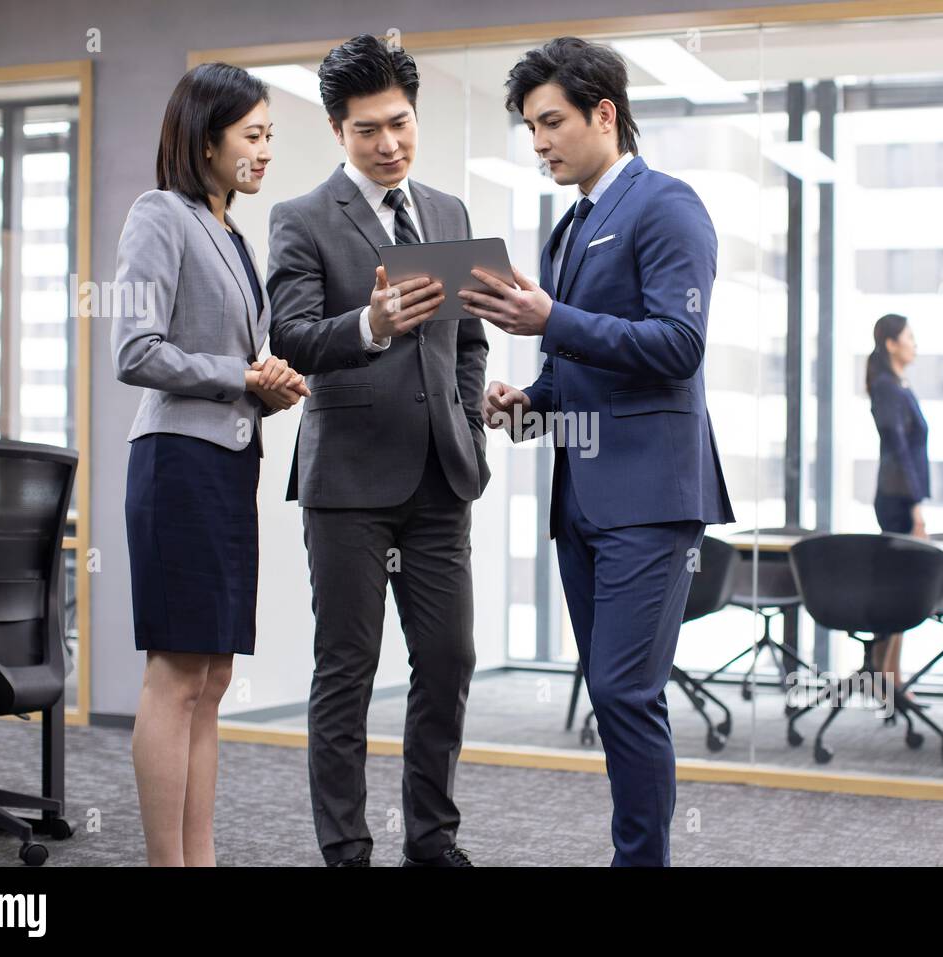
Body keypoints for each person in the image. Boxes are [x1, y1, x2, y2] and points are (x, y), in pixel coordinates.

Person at [466, 37, 733, 867]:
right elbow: (573, 362)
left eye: (552, 122)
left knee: (623, 690)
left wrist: (552, 320)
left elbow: (678, 344)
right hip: (580, 499)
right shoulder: (566, 230)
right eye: (529, 127)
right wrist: (529, 400)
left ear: (604, 114)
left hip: (651, 497)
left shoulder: (668, 206)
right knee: (616, 693)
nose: (539, 141)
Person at [266, 35, 489, 868]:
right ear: (337, 131)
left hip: (441, 476)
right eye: (368, 131)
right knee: (348, 666)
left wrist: (466, 420)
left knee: (447, 659)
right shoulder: (302, 218)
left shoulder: (448, 212)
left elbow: (468, 339)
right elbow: (288, 336)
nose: (389, 144)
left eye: (400, 123)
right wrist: (369, 325)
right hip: (349, 480)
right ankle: (347, 849)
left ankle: (432, 840)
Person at [111, 62, 310, 866]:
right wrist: (242, 376)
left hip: (226, 465)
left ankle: (202, 858)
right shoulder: (158, 214)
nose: (265, 152)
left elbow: (232, 360)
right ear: (206, 138)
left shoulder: (229, 231)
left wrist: (268, 388)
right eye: (253, 136)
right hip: (175, 465)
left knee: (212, 678)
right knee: (175, 672)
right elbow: (136, 349)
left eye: (270, 137)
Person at [865, 314, 929, 705]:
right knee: (900, 588)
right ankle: (887, 678)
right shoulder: (888, 388)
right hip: (897, 498)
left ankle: (890, 677)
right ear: (891, 343)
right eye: (909, 336)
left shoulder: (896, 385)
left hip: (899, 495)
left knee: (902, 586)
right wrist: (917, 504)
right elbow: (899, 450)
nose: (914, 343)